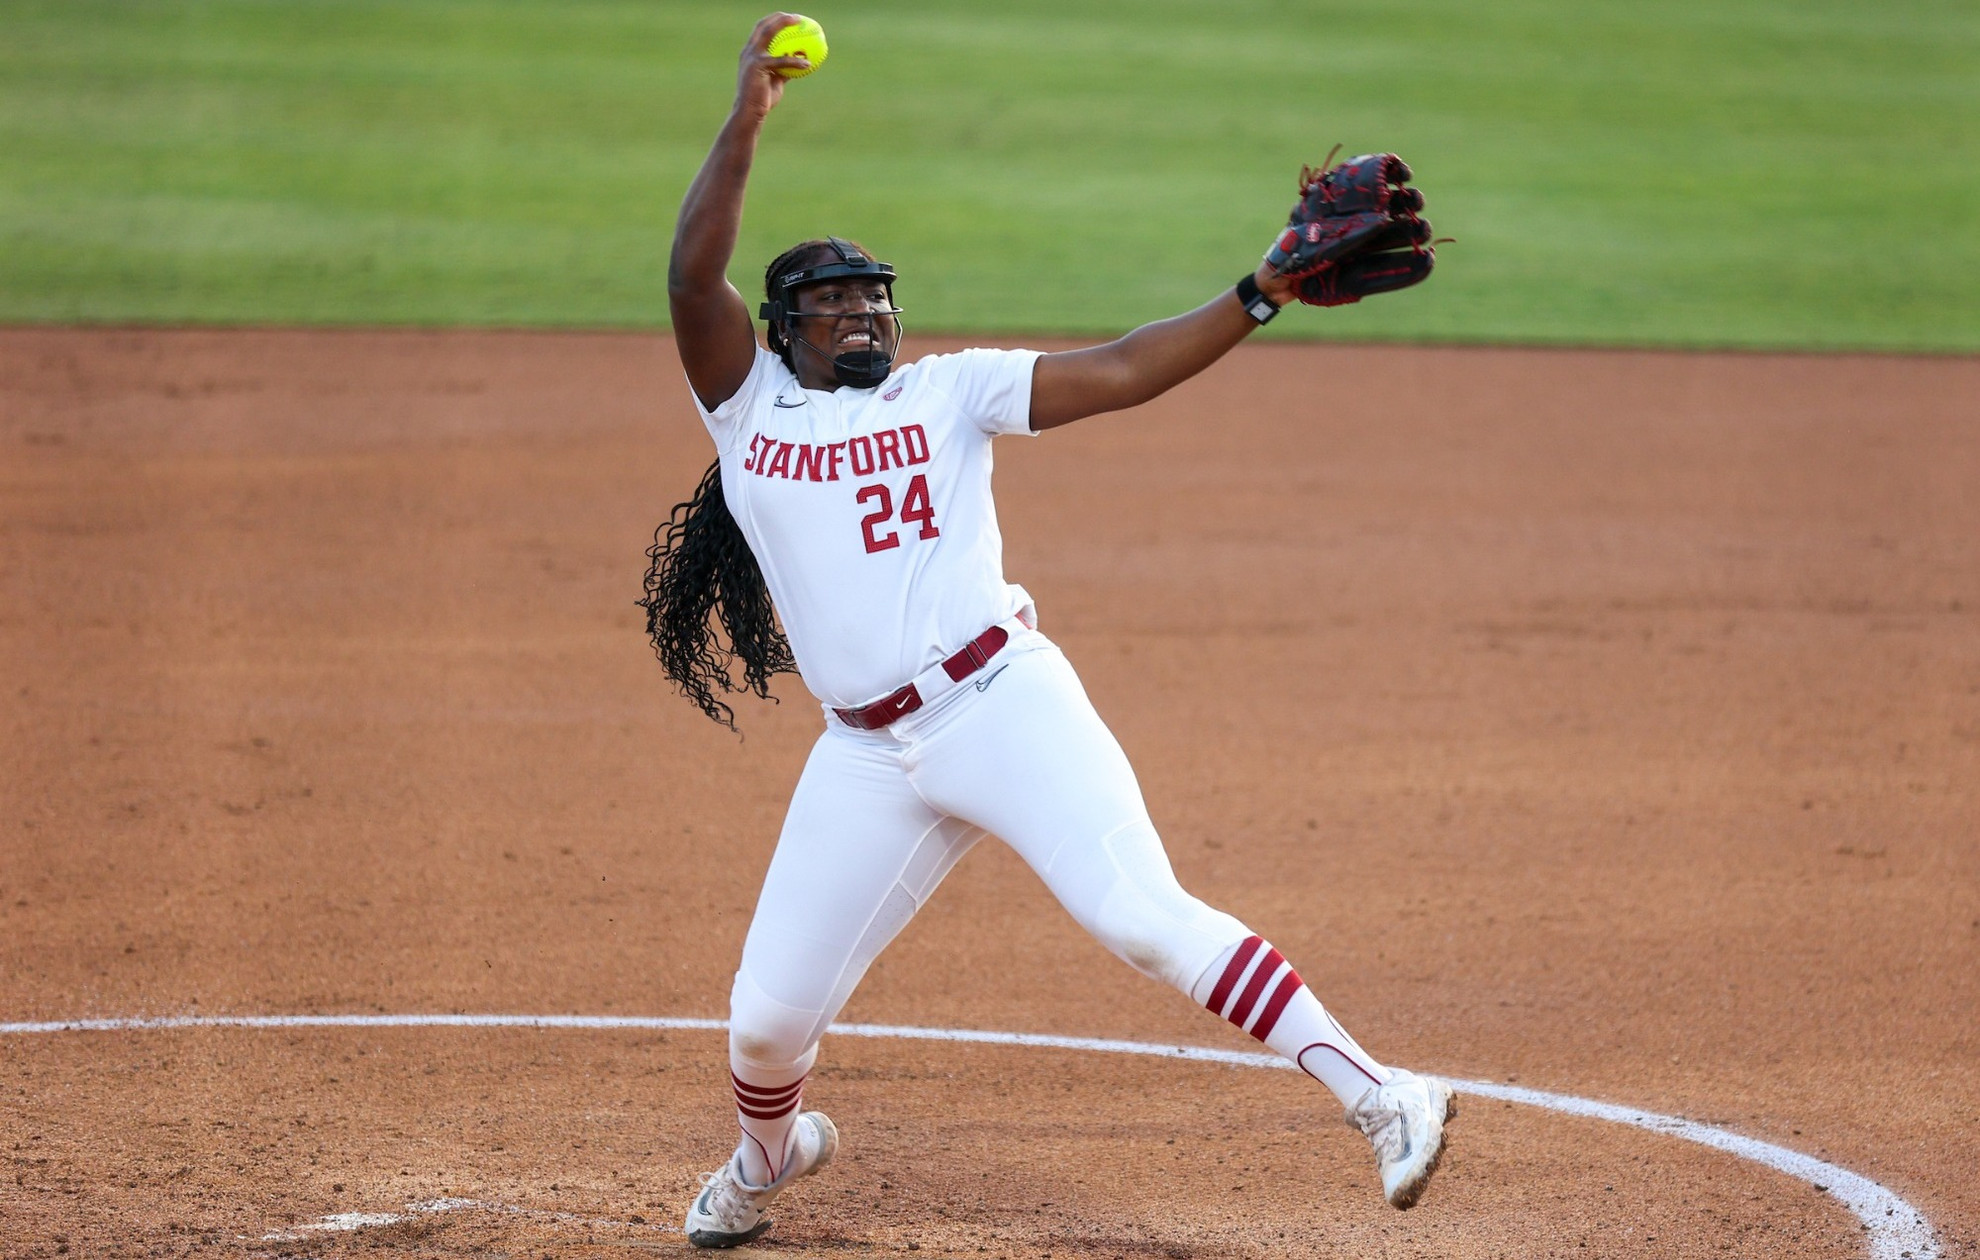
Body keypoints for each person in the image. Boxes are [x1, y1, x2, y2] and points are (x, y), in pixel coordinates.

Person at [651, 13, 1454, 1250]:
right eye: (832, 304)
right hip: (865, 757)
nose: (862, 316)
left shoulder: (951, 389)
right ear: (781, 329)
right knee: (763, 1024)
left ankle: (1385, 1096)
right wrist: (748, 113)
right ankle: (771, 1157)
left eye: (875, 299)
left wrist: (1258, 293)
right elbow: (690, 278)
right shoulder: (747, 413)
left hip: (1002, 703)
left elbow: (1125, 367)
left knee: (1143, 918)